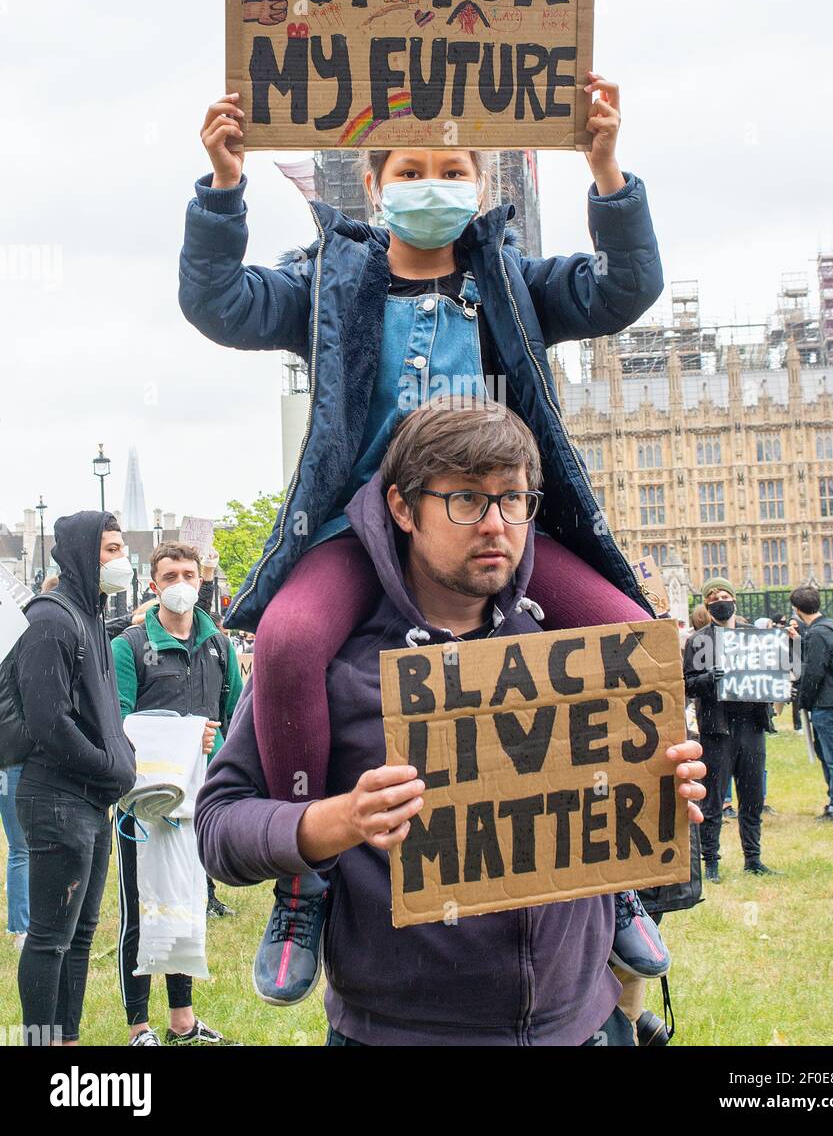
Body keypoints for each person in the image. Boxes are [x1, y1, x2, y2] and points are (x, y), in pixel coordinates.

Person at [180, 76, 666, 996]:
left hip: (491, 519)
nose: (432, 183)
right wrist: (221, 190)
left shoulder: (510, 282)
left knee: (624, 636)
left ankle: (615, 865)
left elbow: (625, 290)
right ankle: (302, 878)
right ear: (375, 186)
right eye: (411, 168)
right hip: (360, 522)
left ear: (483, 185)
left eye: (453, 168)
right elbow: (222, 306)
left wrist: (608, 175)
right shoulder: (330, 281)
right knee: (287, 641)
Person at [195, 400, 706, 1046]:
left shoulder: (577, 642)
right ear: (404, 509)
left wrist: (661, 785)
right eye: (466, 499)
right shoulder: (332, 657)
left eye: (514, 499)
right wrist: (334, 821)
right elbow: (217, 825)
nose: (496, 524)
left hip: (583, 1024)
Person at [112, 541, 243, 1047]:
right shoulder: (129, 646)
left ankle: (183, 1021)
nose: (181, 582)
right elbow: (120, 722)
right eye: (170, 575)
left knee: (186, 903)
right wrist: (187, 734)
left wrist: (218, 758)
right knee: (142, 906)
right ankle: (138, 1026)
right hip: (144, 802)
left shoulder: (219, 646)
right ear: (154, 583)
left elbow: (234, 716)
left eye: (189, 573)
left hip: (198, 800)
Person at [14, 513, 136, 1046]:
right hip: (56, 799)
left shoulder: (90, 616)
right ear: (85, 553)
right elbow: (49, 721)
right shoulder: (52, 620)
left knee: (80, 935)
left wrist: (120, 757)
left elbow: (99, 709)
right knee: (48, 938)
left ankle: (67, 1042)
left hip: (92, 801)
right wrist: (110, 765)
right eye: (110, 549)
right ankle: (41, 1043)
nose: (119, 560)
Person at [683, 579, 775, 883]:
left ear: (734, 600)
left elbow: (776, 673)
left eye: (725, 596)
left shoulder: (754, 637)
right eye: (714, 598)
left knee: (752, 796)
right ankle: (711, 861)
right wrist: (709, 677)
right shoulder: (699, 641)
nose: (721, 601)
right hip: (717, 728)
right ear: (707, 605)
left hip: (751, 726)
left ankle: (754, 858)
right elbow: (687, 683)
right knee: (712, 798)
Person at [791, 586, 833, 822]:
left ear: (797, 609)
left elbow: (814, 672)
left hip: (828, 702)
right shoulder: (827, 627)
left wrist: (802, 700)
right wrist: (799, 640)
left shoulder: (818, 633)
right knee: (827, 753)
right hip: (832, 700)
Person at [1, 764, 29, 950]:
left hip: (9, 768)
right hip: (11, 768)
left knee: (21, 850)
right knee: (21, 850)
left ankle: (23, 928)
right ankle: (22, 930)